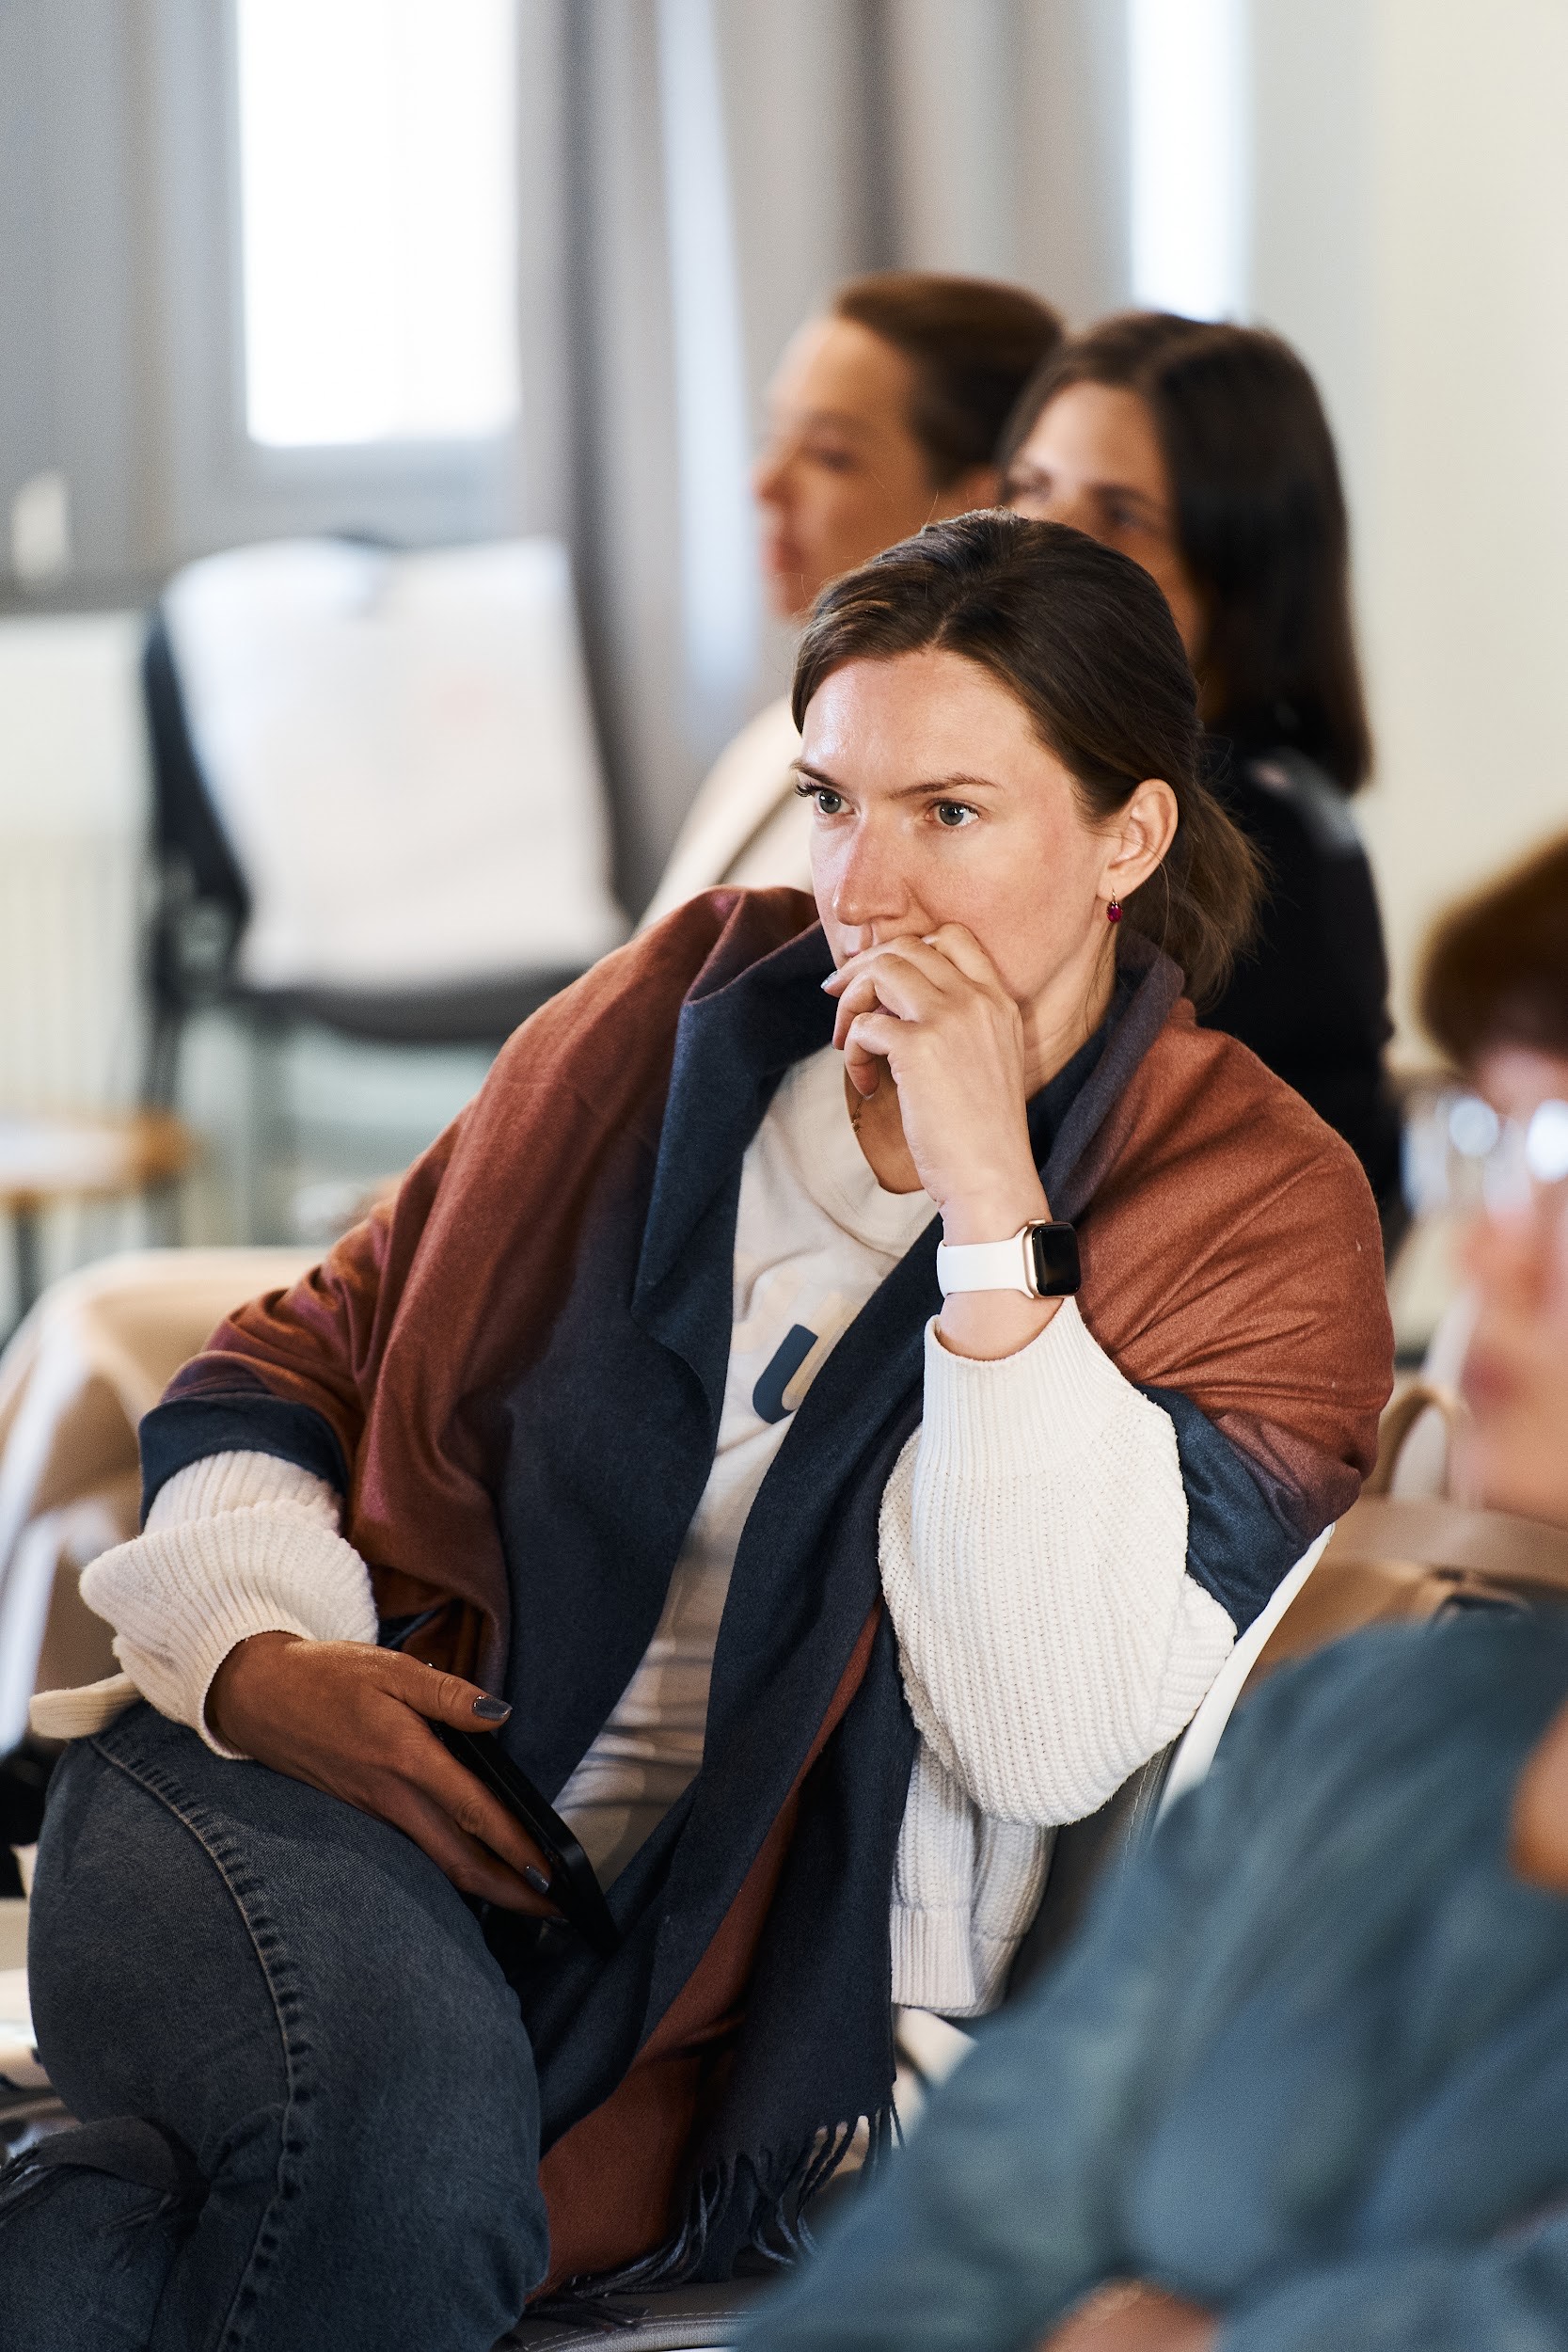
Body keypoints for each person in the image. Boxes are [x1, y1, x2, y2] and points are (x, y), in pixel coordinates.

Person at [0, 516, 1389, 2350]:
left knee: (227, 2219)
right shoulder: (677, 1010)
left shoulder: (1247, 1202)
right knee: (414, 2174)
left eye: (948, 813)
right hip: (284, 1799)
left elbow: (1037, 1724)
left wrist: (991, 1204)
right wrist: (257, 1653)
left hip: (691, 2004)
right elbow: (286, 1356)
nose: (862, 885)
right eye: (832, 798)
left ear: (1123, 836)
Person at [742, 830, 1568, 2352]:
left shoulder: (1226, 1195)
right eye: (1489, 1138)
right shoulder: (1363, 1723)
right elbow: (978, 2211)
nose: (1490, 1251)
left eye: (1563, 1161)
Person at [1000, 315, 1402, 1229]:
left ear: (1243, 570)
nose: (1046, 545)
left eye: (1120, 514)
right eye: (1031, 487)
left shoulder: (1243, 830)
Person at [641, 272, 1063, 925]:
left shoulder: (976, 816)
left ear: (977, 507)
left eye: (830, 455)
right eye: (773, 437)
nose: (765, 483)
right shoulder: (776, 736)